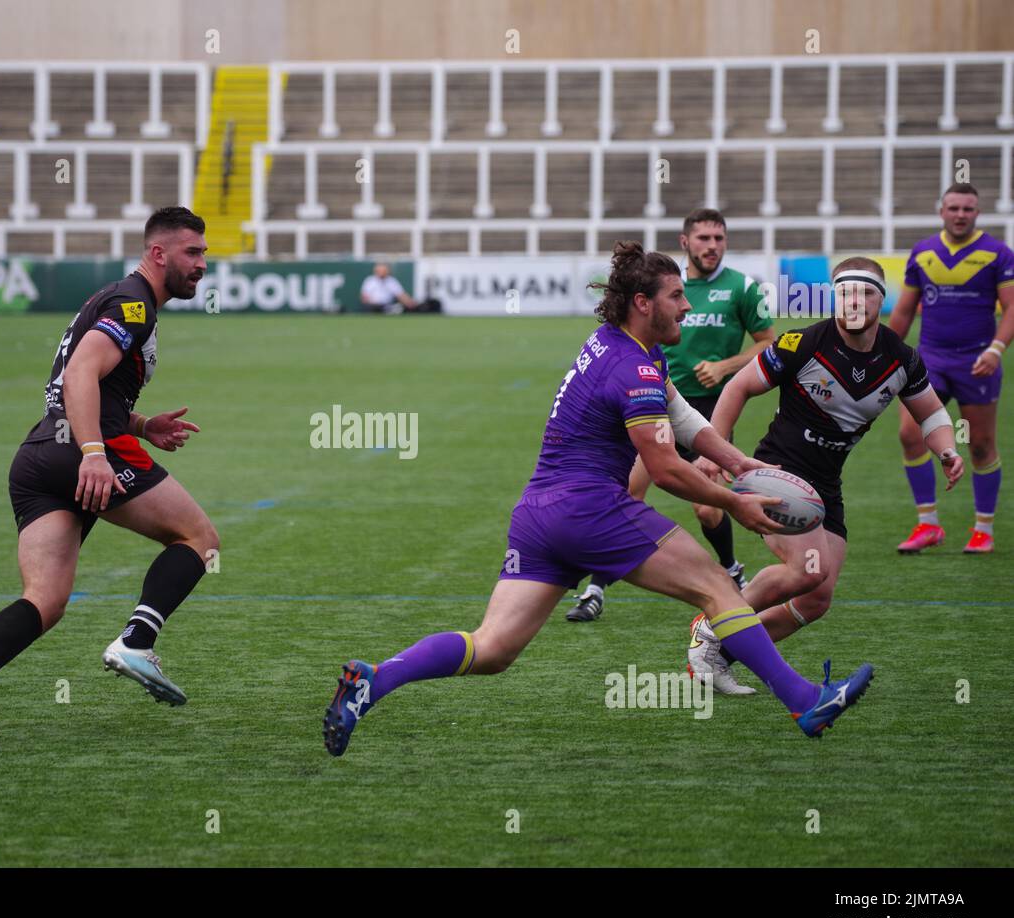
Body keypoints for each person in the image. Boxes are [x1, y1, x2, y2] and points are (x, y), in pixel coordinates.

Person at [323, 242, 874, 757]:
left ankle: (375, 678)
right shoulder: (632, 368)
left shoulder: (626, 348)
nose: (687, 305)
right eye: (676, 296)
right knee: (716, 587)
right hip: (591, 509)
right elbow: (663, 471)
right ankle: (806, 701)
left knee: (492, 649)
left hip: (540, 513)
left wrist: (742, 465)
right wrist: (736, 503)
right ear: (642, 303)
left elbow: (681, 417)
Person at [0, 207, 219, 747]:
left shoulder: (115, 299)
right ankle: (137, 642)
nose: (202, 264)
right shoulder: (134, 304)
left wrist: (140, 423)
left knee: (45, 599)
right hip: (83, 450)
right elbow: (79, 373)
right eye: (193, 253)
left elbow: (88, 384)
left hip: (40, 452)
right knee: (200, 539)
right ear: (158, 254)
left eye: (203, 253)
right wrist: (95, 451)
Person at [686, 257, 965, 693]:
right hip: (777, 473)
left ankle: (719, 653)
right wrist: (716, 451)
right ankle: (712, 623)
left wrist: (946, 448)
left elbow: (931, 414)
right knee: (806, 571)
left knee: (817, 598)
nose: (855, 302)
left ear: (881, 298)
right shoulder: (803, 343)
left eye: (866, 292)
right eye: (846, 292)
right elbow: (738, 385)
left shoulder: (901, 359)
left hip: (827, 486)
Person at [567, 208, 774, 624]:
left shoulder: (743, 288)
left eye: (719, 238)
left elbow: (768, 344)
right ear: (685, 243)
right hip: (648, 407)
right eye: (703, 238)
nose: (712, 246)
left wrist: (724, 367)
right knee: (627, 494)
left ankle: (730, 569)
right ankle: (595, 589)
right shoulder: (661, 288)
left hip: (713, 410)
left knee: (705, 507)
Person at [890, 183, 1014, 555]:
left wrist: (996, 349)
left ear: (977, 213)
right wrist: (883, 353)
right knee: (911, 436)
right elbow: (904, 310)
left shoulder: (998, 253)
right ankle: (928, 524)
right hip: (929, 361)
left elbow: (1011, 308)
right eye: (954, 207)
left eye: (968, 209)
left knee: (980, 445)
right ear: (941, 210)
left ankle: (983, 529)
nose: (961, 214)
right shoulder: (923, 252)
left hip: (977, 362)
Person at [359, 262, 440, 313]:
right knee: (371, 308)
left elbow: (401, 295)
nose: (382, 273)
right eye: (380, 271)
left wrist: (411, 303)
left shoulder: (391, 281)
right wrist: (372, 303)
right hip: (373, 306)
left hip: (386, 306)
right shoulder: (370, 280)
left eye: (384, 271)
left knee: (400, 308)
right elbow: (364, 297)